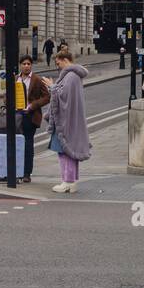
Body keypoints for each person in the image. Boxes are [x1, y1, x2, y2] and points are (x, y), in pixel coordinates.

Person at [45, 50, 91, 193]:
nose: (58, 65)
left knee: (65, 151)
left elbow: (63, 96)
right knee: (68, 151)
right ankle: (70, 181)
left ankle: (67, 181)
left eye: (58, 62)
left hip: (65, 122)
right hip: (70, 120)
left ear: (65, 60)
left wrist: (51, 86)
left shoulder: (71, 76)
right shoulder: (74, 76)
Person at [15, 55, 50, 183]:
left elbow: (47, 97)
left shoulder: (37, 80)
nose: (26, 66)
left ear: (31, 66)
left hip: (30, 116)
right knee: (16, 144)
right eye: (24, 64)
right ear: (20, 65)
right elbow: (6, 96)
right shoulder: (15, 79)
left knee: (28, 145)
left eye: (28, 64)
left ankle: (26, 173)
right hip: (16, 116)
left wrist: (32, 105)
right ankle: (16, 170)